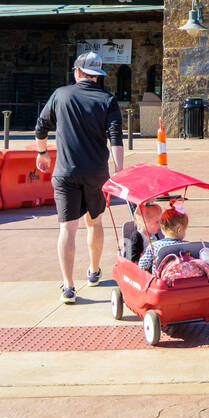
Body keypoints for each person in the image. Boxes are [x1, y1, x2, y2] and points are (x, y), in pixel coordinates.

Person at [35, 51, 124, 304]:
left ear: (77, 72)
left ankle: (68, 286)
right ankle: (94, 272)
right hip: (96, 173)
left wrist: (42, 153)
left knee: (67, 229)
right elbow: (116, 139)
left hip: (65, 173)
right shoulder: (108, 100)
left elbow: (41, 126)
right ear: (98, 76)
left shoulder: (60, 95)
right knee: (94, 222)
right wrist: (119, 172)